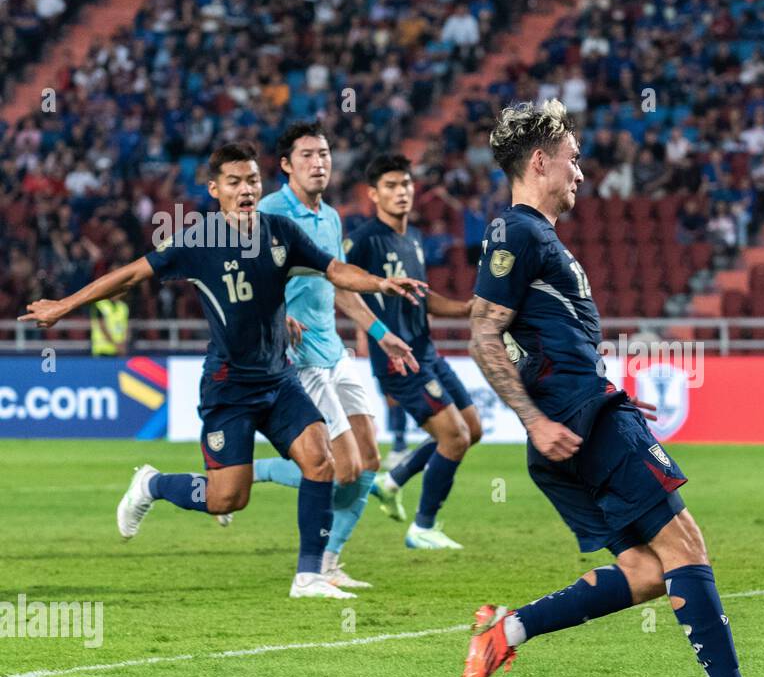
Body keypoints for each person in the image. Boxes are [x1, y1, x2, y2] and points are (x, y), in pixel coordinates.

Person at [458, 100, 764, 677]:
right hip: (577, 423)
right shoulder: (516, 230)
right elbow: (483, 331)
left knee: (647, 570)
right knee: (686, 545)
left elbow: (528, 337)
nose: (580, 175)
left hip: (580, 415)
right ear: (539, 162)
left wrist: (586, 392)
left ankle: (505, 632)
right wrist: (537, 419)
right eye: (571, 160)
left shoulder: (532, 236)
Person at [19, 142, 426, 599]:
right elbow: (132, 275)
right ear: (215, 189)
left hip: (279, 378)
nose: (246, 189)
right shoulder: (198, 239)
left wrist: (380, 283)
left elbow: (333, 270)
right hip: (229, 386)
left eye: (252, 180)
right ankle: (151, 484)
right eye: (234, 182)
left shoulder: (280, 232)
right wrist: (65, 305)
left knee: (321, 462)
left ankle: (308, 576)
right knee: (227, 497)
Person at [250, 123, 419, 587]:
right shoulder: (267, 211)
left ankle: (328, 562)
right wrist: (274, 312)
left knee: (368, 462)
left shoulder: (330, 217)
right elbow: (249, 282)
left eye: (324, 153)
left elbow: (338, 284)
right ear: (286, 165)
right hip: (298, 358)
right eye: (307, 155)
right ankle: (253, 471)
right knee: (339, 468)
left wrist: (381, 333)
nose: (319, 162)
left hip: (334, 351)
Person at [348, 153, 482, 548]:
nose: (400, 192)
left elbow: (421, 298)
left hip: (428, 353)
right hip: (398, 360)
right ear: (373, 194)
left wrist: (463, 309)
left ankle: (393, 480)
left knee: (471, 430)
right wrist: (371, 335)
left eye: (405, 184)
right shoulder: (363, 241)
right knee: (453, 438)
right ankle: (423, 527)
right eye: (390, 186)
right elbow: (341, 285)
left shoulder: (414, 239)